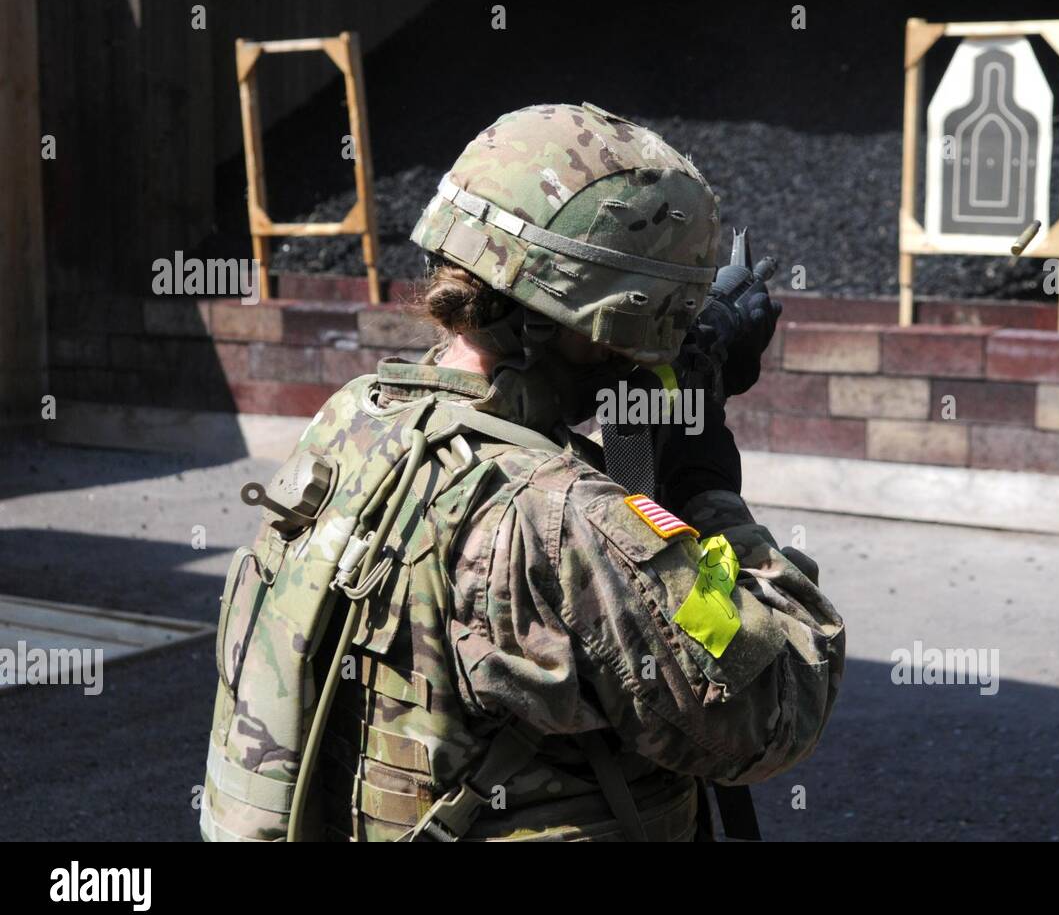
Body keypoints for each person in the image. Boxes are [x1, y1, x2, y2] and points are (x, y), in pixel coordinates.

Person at [210, 102, 845, 842]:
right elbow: (778, 709)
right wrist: (707, 486)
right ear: (608, 316)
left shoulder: (354, 420)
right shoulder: (564, 517)